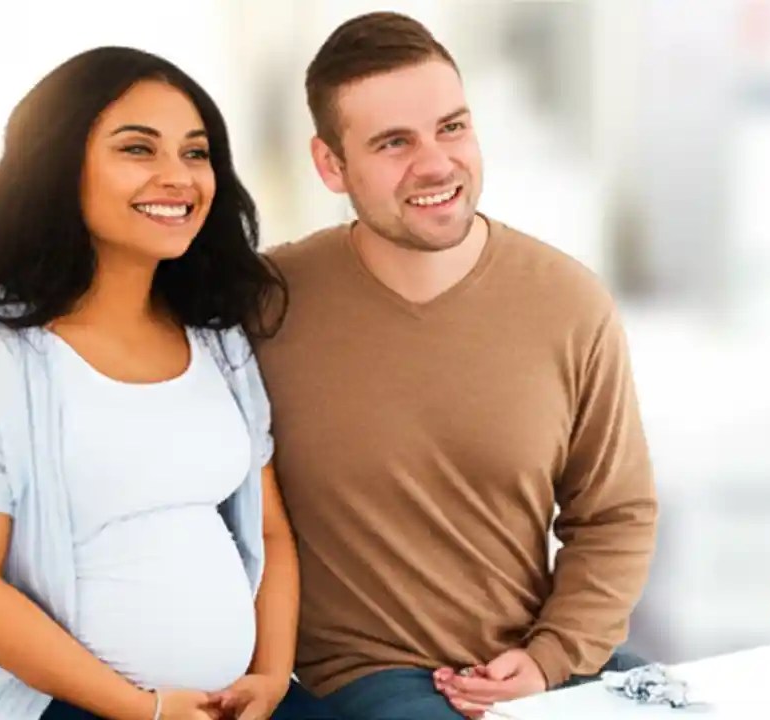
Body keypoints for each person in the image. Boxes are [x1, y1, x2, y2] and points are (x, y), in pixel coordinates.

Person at [251, 11, 658, 720]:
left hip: (536, 670)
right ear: (330, 165)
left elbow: (614, 516)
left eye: (452, 127)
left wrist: (549, 657)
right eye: (393, 143)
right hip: (363, 679)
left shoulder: (569, 303)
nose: (436, 163)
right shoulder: (265, 305)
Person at [0, 47, 331, 720]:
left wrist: (270, 676)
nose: (177, 177)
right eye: (138, 149)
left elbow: (270, 534)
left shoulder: (218, 339)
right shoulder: (12, 356)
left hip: (245, 702)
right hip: (77, 709)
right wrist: (142, 709)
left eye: (196, 153)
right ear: (60, 163)